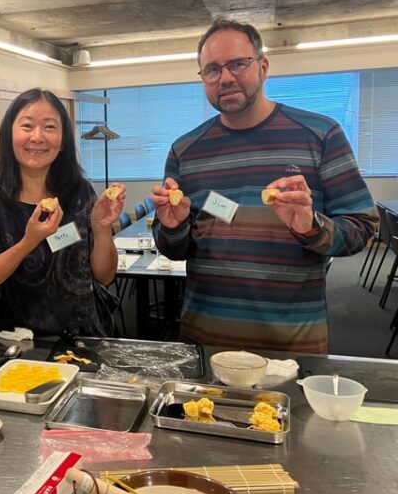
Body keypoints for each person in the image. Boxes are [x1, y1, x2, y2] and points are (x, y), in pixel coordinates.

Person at [152, 18, 377, 353]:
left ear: (263, 66)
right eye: (212, 69)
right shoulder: (185, 150)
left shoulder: (320, 135)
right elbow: (174, 249)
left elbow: (362, 227)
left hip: (291, 344)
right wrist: (173, 228)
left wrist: (311, 227)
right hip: (207, 341)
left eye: (238, 64)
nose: (225, 78)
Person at [0, 88, 126, 336]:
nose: (37, 137)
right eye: (27, 126)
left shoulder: (79, 192)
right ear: (9, 134)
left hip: (81, 338)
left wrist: (101, 230)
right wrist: (28, 242)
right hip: (11, 342)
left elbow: (105, 276)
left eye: (49, 127)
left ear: (63, 139)